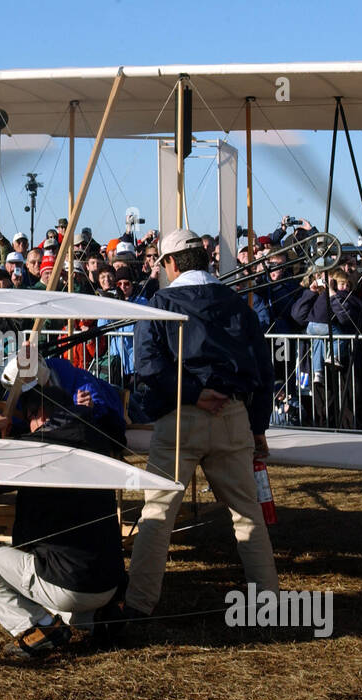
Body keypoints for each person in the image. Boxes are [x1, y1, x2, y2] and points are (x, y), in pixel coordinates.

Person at [122, 228, 279, 623]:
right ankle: (268, 602)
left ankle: (139, 603)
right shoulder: (239, 305)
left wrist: (192, 392)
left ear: (170, 263)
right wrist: (258, 427)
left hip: (181, 418)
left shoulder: (160, 303)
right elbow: (263, 371)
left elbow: (149, 368)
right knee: (247, 514)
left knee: (157, 515)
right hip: (234, 417)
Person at [0, 381, 125, 658]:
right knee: (63, 568)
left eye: (28, 419)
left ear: (41, 415)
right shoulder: (96, 439)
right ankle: (96, 620)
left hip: (69, 584)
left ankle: (39, 626)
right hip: (109, 584)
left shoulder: (38, 449)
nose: (28, 427)